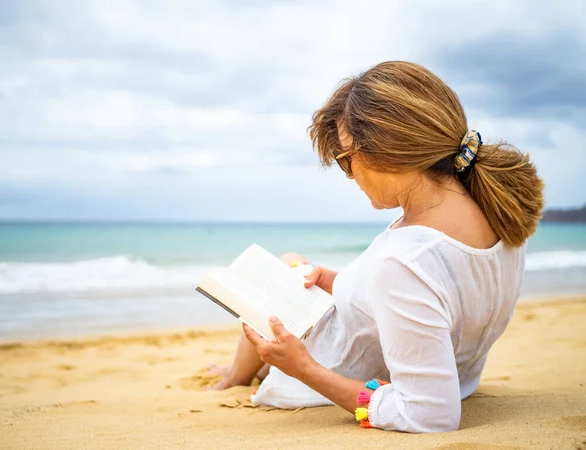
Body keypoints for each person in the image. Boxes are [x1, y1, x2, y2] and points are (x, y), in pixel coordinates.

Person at [210, 61, 544, 432]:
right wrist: (337, 281)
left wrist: (301, 368)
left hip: (330, 374)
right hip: (453, 376)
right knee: (295, 265)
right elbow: (442, 297)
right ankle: (238, 371)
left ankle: (235, 379)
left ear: (386, 152)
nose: (349, 174)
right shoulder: (500, 212)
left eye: (346, 159)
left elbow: (429, 415)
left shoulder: (404, 260)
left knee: (274, 282)